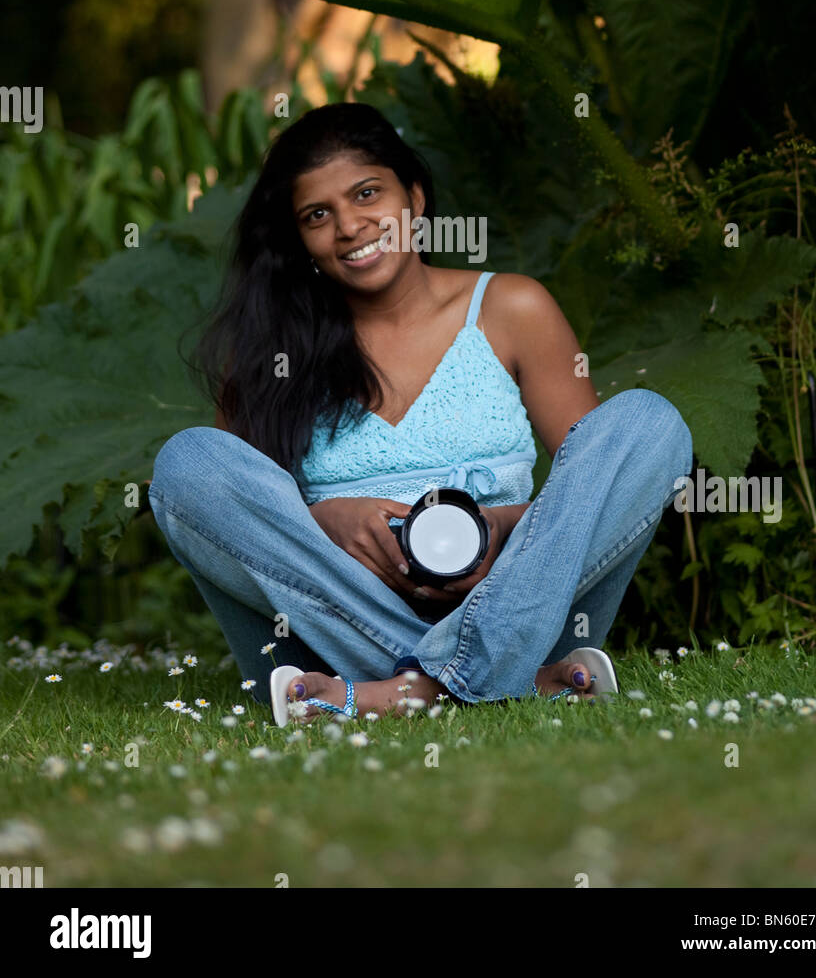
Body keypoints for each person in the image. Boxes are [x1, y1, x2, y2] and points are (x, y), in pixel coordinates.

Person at [148, 102, 693, 722]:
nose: (350, 226)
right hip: (336, 632)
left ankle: (413, 690)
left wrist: (496, 531)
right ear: (299, 239)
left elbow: (587, 490)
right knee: (187, 461)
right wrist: (327, 519)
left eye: (367, 193)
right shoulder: (274, 348)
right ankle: (493, 680)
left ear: (415, 197)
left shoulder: (513, 307)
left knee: (647, 422)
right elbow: (249, 517)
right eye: (317, 215)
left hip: (518, 607)